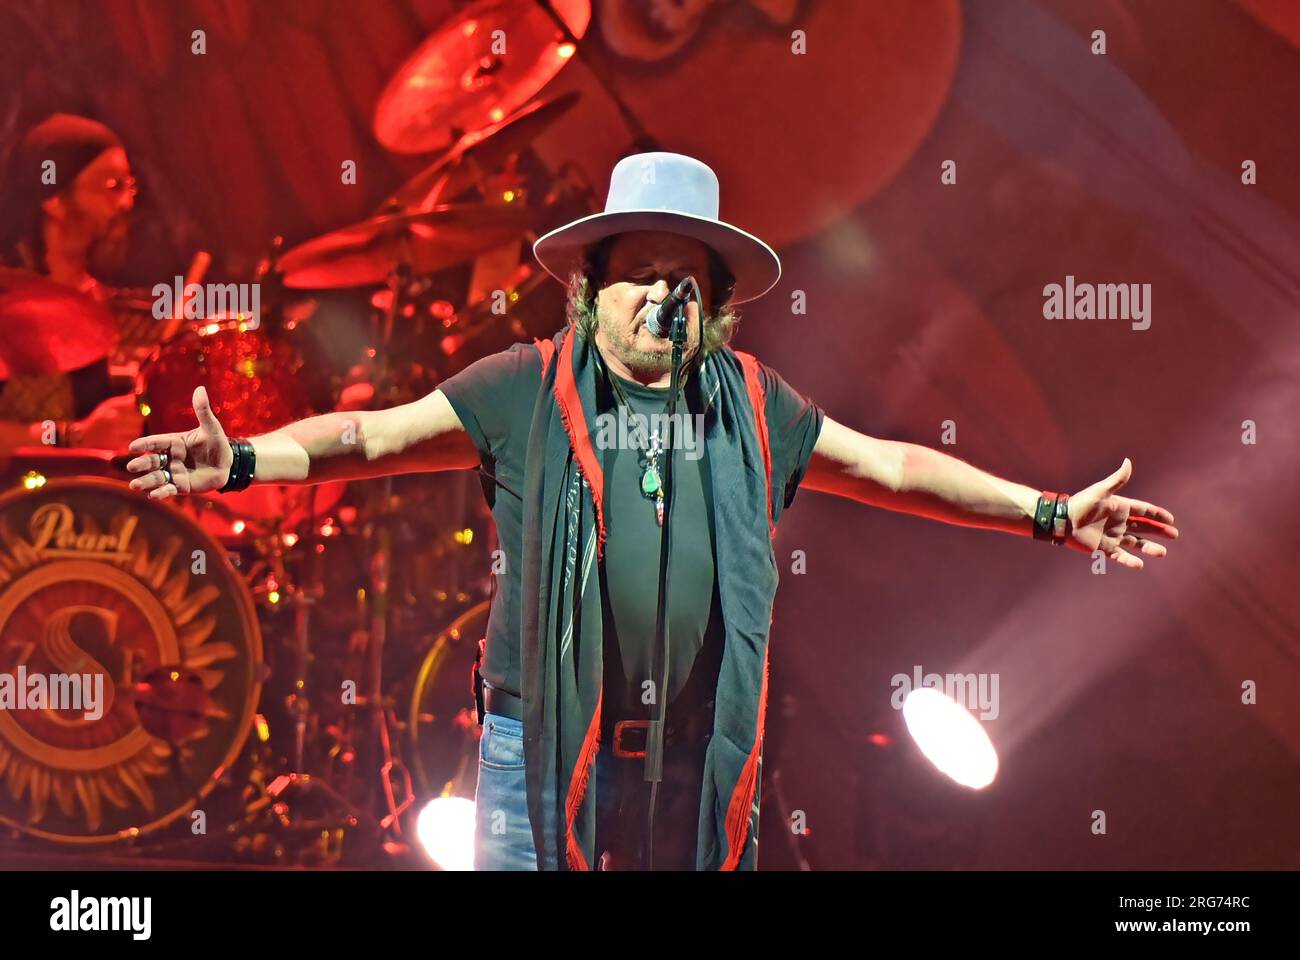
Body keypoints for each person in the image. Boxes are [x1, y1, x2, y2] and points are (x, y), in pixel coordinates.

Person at [124, 152, 1180, 870]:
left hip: (692, 757)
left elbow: (896, 470)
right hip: (533, 746)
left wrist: (1047, 513)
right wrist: (250, 458)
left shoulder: (757, 407)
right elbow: (376, 435)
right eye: (635, 274)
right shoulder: (519, 389)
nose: (658, 298)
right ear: (589, 289)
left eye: (683, 277)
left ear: (713, 303)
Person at [0, 113, 142, 451]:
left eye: (129, 186)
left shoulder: (123, 311)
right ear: (56, 202)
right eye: (111, 187)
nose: (127, 202)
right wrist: (71, 435)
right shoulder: (9, 310)